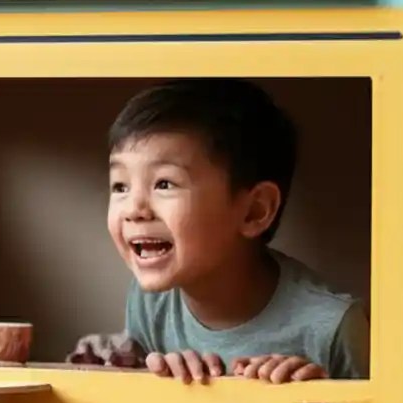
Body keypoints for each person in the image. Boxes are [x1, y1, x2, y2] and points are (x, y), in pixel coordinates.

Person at [105, 78, 369, 385]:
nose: (134, 209)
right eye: (120, 186)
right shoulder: (150, 301)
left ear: (254, 211)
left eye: (165, 183)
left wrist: (318, 396)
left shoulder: (333, 326)